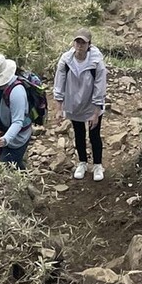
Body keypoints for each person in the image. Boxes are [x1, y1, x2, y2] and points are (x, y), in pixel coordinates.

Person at [53, 29, 108, 181]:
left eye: (83, 42)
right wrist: (59, 107)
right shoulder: (66, 61)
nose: (80, 45)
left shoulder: (97, 63)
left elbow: (100, 87)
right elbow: (59, 83)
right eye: (77, 41)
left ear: (89, 44)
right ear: (74, 43)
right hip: (74, 103)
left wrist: (96, 112)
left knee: (94, 135)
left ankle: (97, 165)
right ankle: (82, 162)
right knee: (79, 133)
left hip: (91, 104)